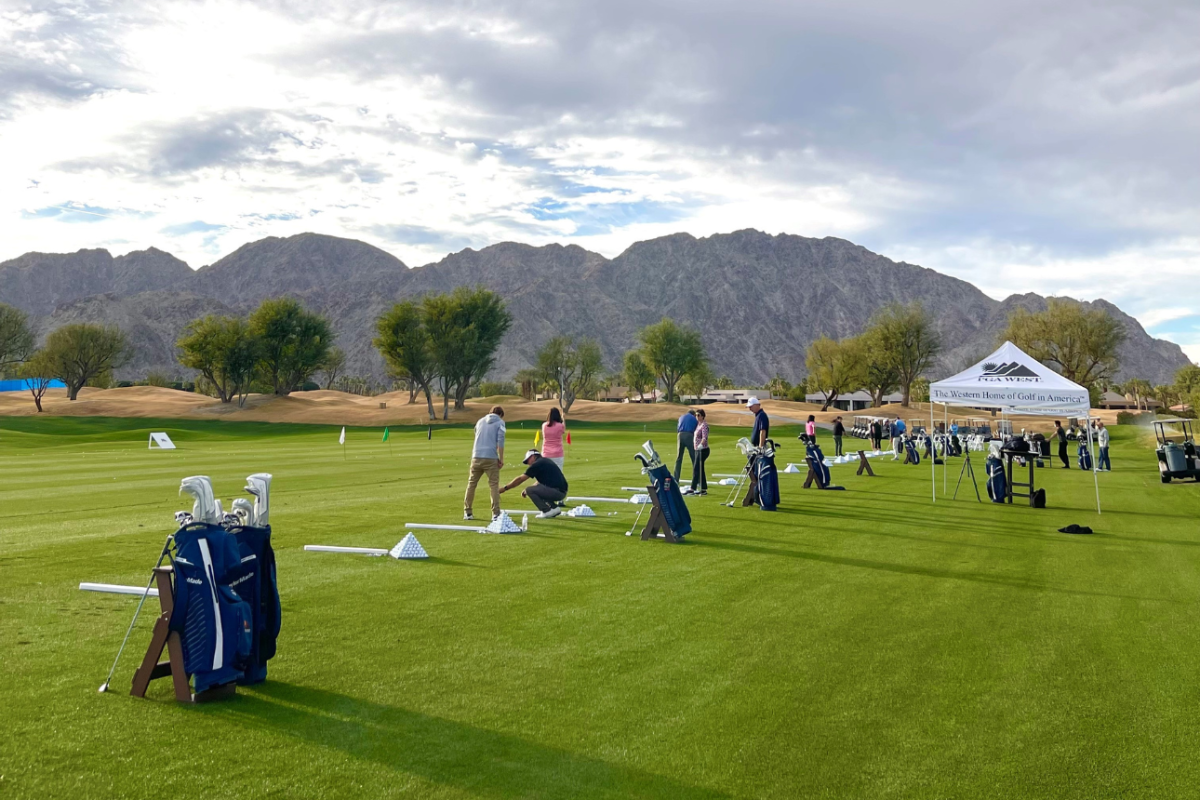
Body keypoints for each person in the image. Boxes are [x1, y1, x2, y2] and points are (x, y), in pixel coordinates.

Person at [499, 449, 569, 518]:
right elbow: (541, 481)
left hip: (557, 492)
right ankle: (554, 508)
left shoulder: (537, 464)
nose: (528, 463)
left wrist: (505, 488)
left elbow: (520, 479)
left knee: (529, 490)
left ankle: (546, 511)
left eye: (528, 460)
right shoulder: (545, 461)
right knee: (535, 489)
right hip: (561, 491)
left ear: (533, 456)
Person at [464, 406, 505, 521]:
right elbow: (500, 441)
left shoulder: (480, 421)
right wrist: (501, 458)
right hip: (491, 457)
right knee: (494, 485)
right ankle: (496, 513)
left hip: (476, 456)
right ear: (501, 415)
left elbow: (477, 434)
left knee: (471, 484)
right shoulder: (500, 423)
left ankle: (467, 512)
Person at [674, 408, 698, 482]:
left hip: (680, 435)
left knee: (679, 458)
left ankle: (676, 478)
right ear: (694, 414)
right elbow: (696, 430)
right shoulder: (694, 418)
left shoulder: (681, 417)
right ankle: (697, 479)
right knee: (694, 457)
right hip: (689, 435)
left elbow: (678, 428)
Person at [692, 408, 710, 495]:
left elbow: (704, 437)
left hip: (703, 450)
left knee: (696, 467)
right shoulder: (698, 425)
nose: (697, 417)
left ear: (702, 416)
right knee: (700, 468)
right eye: (696, 415)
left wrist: (701, 445)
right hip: (697, 450)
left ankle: (693, 487)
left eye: (698, 415)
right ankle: (703, 488)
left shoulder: (704, 425)